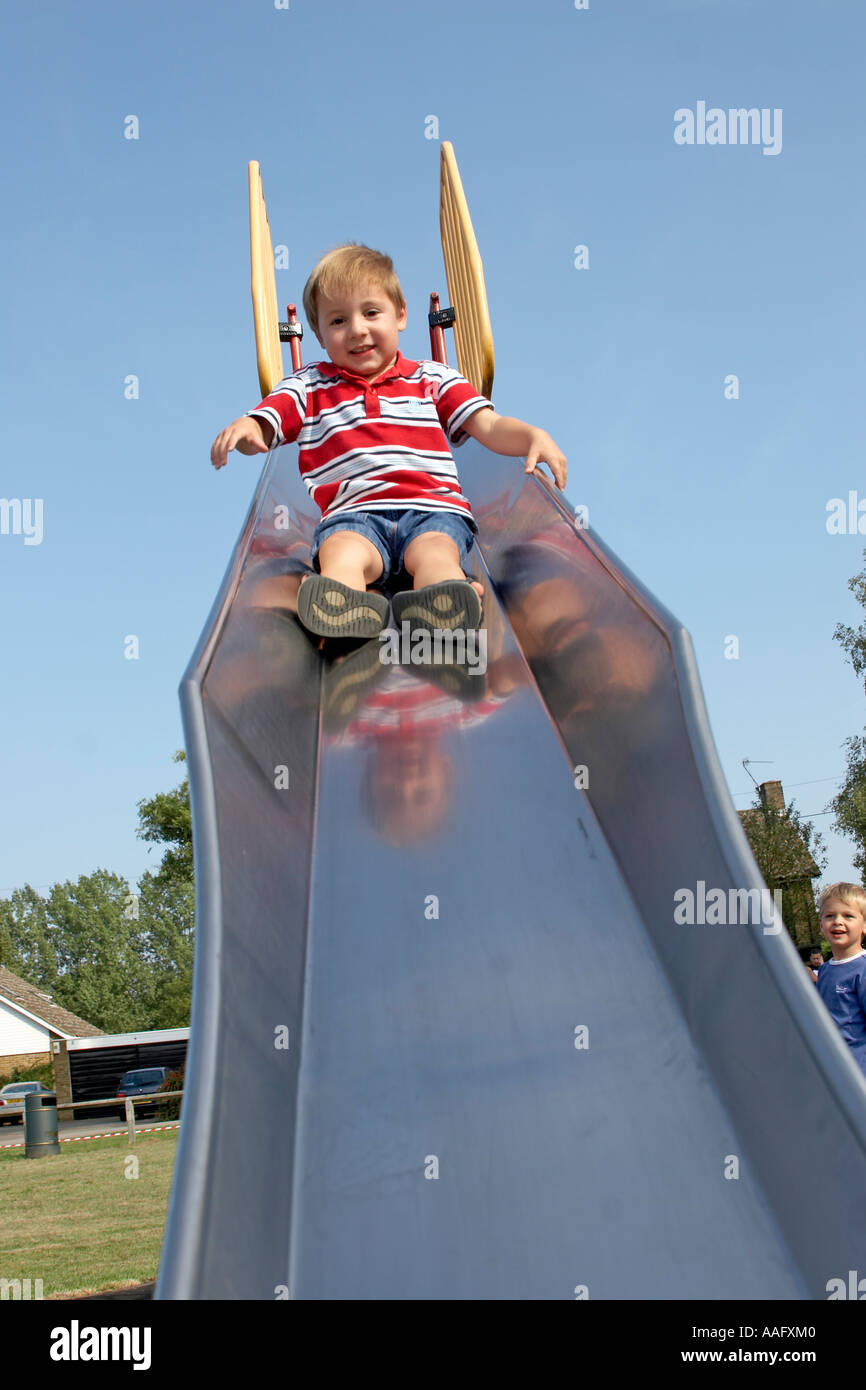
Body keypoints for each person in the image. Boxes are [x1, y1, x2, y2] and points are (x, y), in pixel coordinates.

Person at [210, 243, 567, 639]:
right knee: (341, 552)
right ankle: (343, 604)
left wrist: (531, 436)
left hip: (431, 509)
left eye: (371, 313)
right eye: (338, 321)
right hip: (354, 515)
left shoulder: (431, 378)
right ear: (319, 334)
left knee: (436, 551)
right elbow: (271, 418)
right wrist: (248, 429)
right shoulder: (310, 384)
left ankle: (442, 601)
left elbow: (488, 425)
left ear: (400, 315)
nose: (357, 330)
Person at [815, 882, 866, 1078]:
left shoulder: (862, 969)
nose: (837, 921)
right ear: (821, 925)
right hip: (831, 1070)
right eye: (830, 916)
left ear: (864, 926)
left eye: (848, 916)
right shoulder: (826, 969)